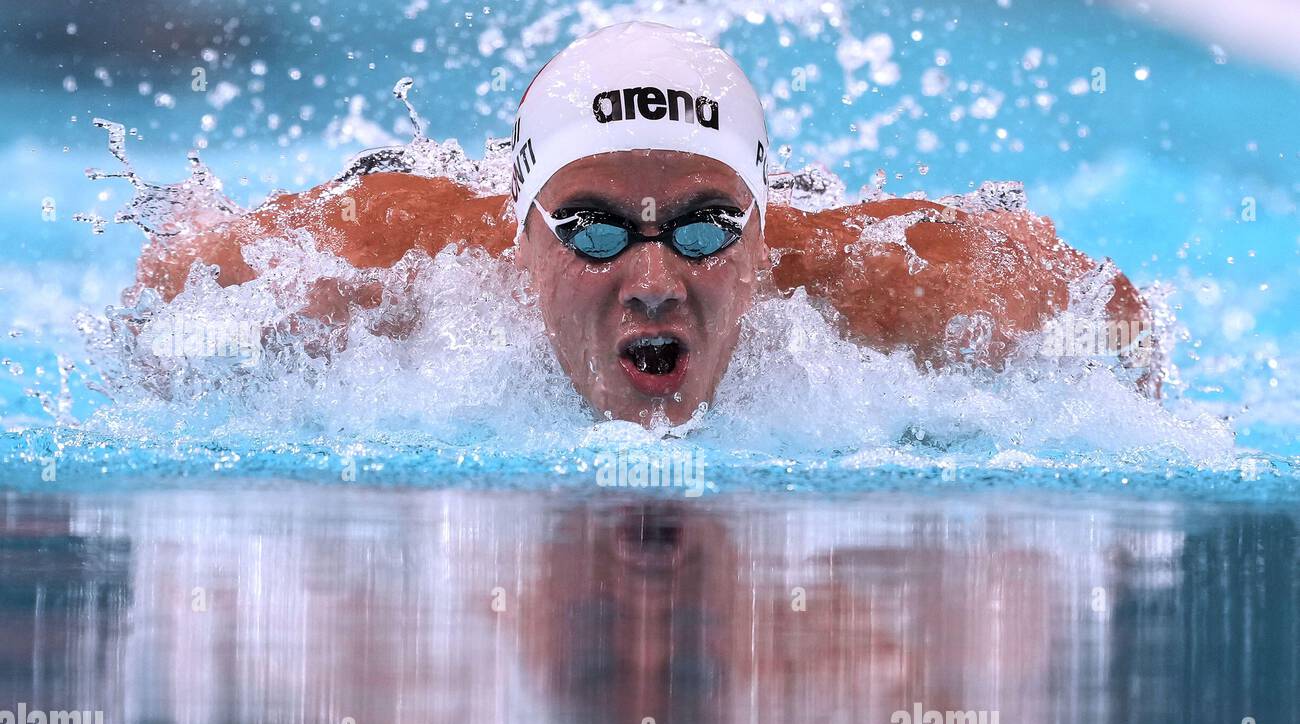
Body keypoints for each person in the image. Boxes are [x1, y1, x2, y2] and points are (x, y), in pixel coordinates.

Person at [133, 20, 1157, 426]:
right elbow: (167, 304)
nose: (657, 278)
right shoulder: (380, 261)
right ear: (519, 235)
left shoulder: (878, 279)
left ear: (764, 237)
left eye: (708, 228)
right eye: (593, 229)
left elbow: (1111, 321)